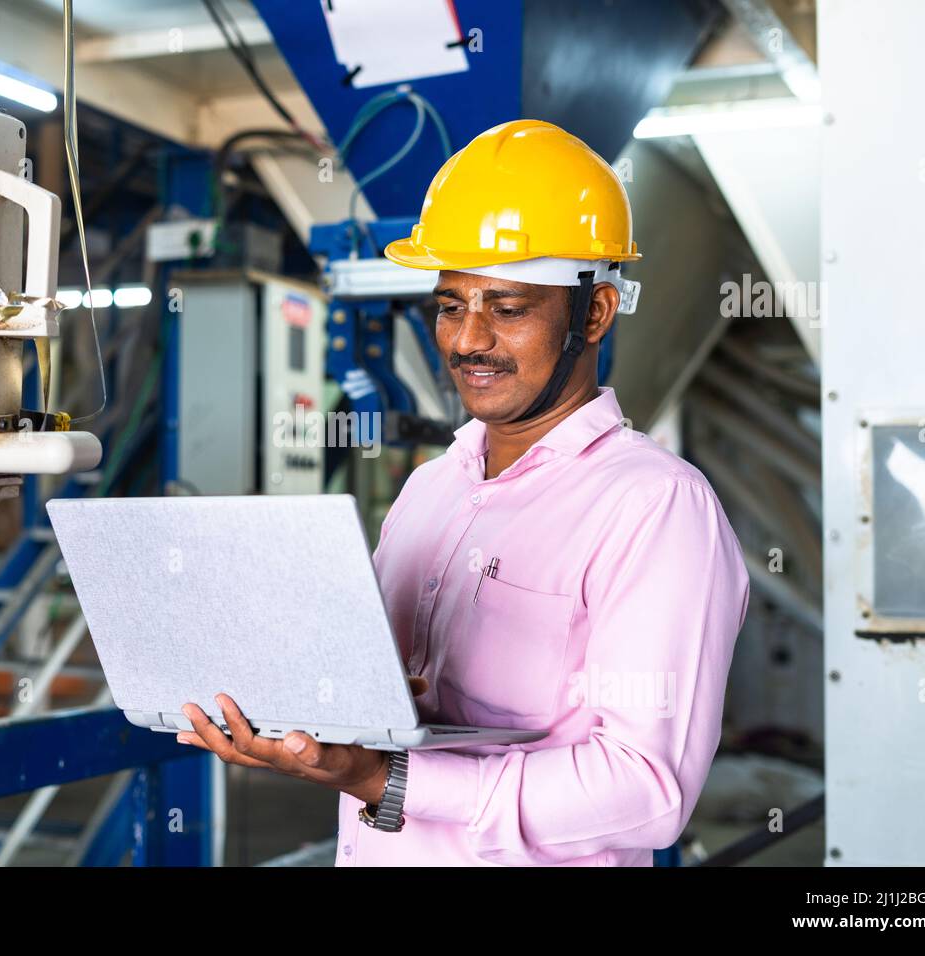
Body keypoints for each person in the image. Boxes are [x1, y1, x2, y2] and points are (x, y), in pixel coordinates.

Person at [174, 119, 750, 866]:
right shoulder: (429, 490)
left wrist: (389, 777)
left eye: (506, 309)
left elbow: (646, 791)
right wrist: (301, 717)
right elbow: (393, 706)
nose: (467, 340)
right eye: (451, 305)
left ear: (595, 313)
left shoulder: (655, 507)